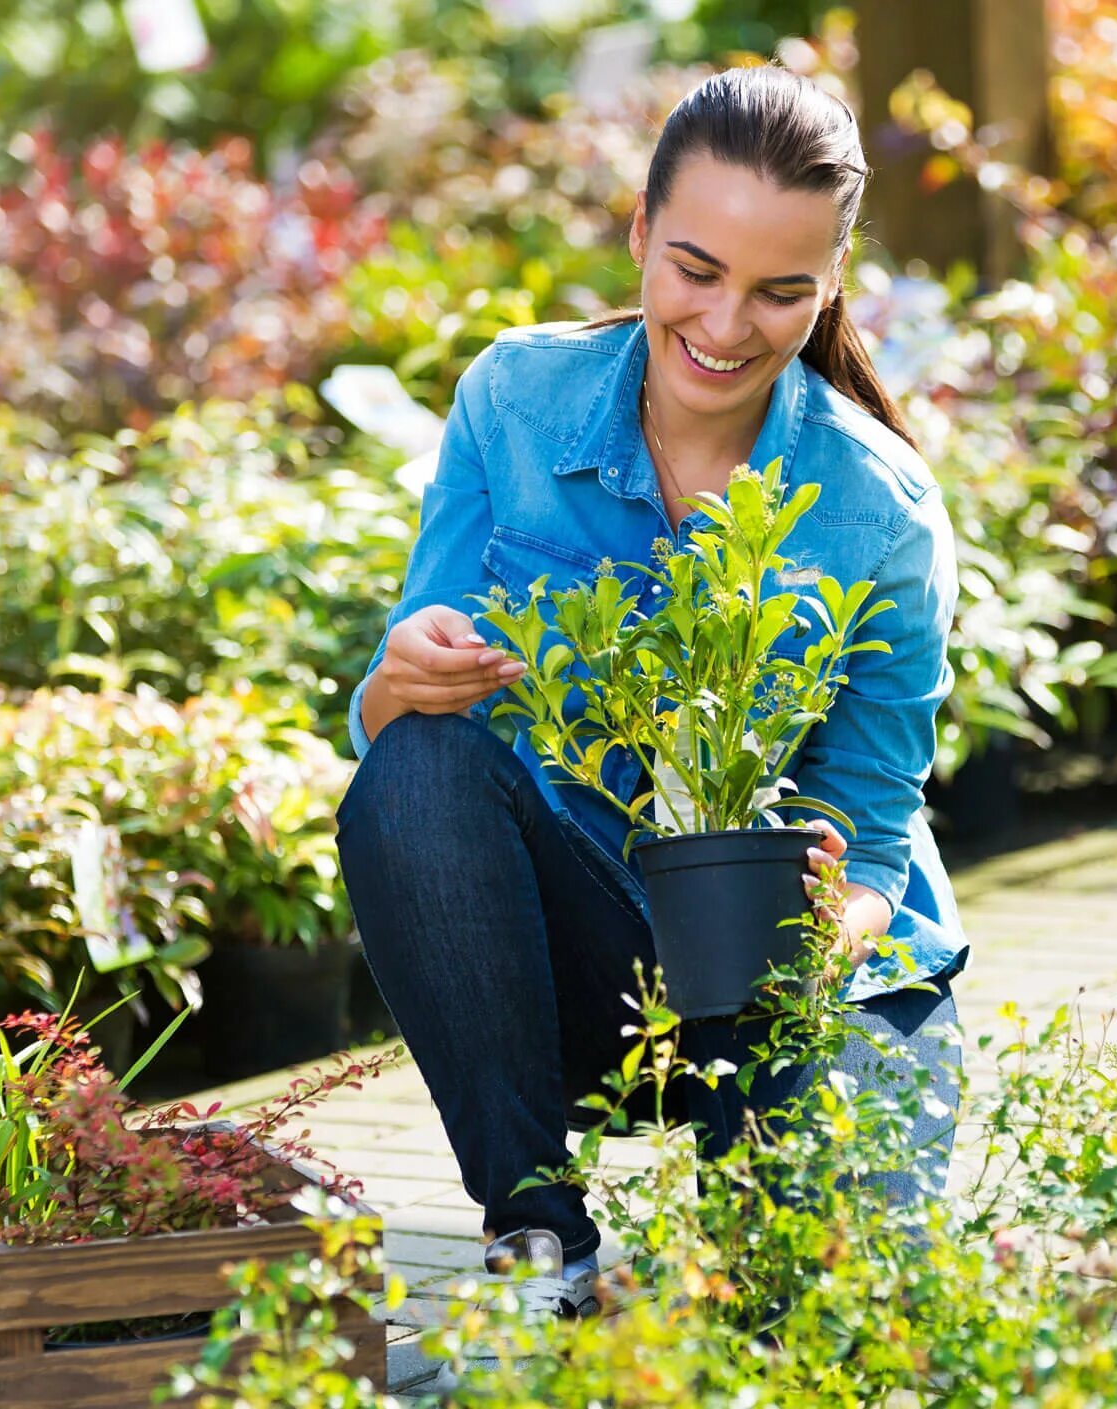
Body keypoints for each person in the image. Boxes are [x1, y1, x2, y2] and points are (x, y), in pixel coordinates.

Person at [334, 64, 967, 1323]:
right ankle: (540, 1238)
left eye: (781, 290)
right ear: (637, 234)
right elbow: (403, 722)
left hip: (803, 970)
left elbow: (874, 820)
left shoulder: (873, 507)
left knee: (819, 1322)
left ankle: (762, 1187)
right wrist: (397, 684)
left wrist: (825, 924)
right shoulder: (513, 402)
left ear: (829, 284)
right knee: (412, 772)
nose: (726, 325)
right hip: (583, 955)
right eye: (695, 269)